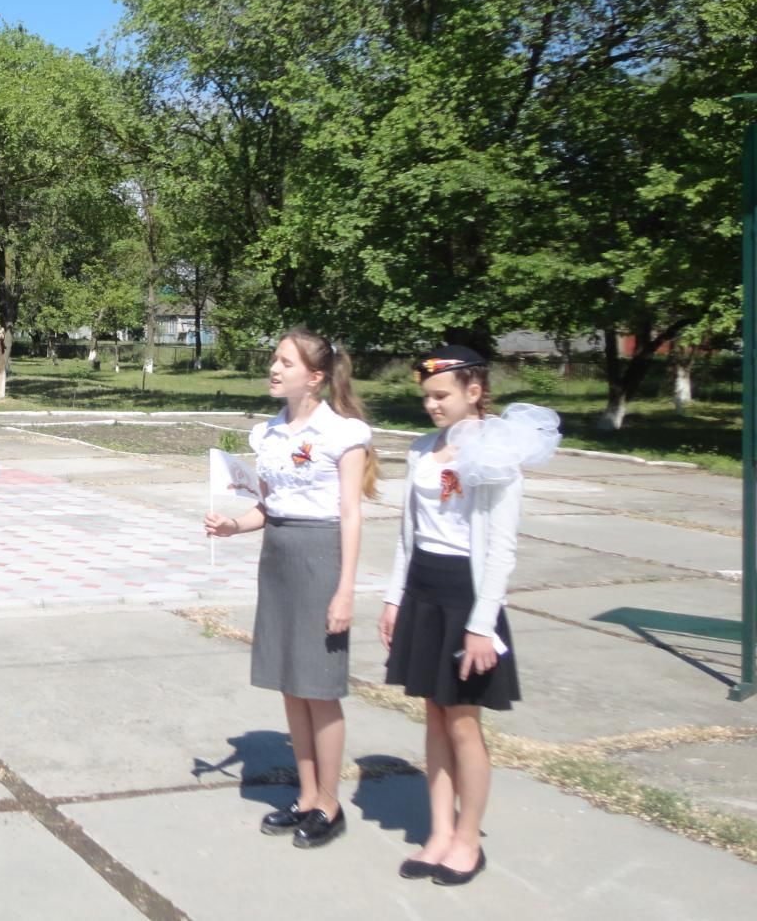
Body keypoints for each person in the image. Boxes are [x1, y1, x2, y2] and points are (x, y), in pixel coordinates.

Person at [379, 344, 558, 885]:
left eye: (441, 396)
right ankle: (438, 831)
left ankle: (468, 838)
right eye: (427, 397)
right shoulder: (420, 451)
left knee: (462, 722)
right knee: (432, 715)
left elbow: (501, 548)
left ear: (473, 392)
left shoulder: (496, 455)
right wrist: (393, 597)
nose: (431, 405)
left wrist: (483, 623)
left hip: (467, 598)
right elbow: (409, 535)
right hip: (424, 591)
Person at [207, 327, 377, 849]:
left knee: (319, 689)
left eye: (285, 362)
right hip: (278, 558)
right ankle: (306, 796)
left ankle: (330, 802)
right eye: (274, 360)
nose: (274, 369)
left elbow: (350, 513)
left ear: (316, 377)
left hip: (321, 559)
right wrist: (234, 525)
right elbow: (269, 504)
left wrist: (345, 588)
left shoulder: (341, 434)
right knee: (290, 683)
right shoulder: (270, 434)